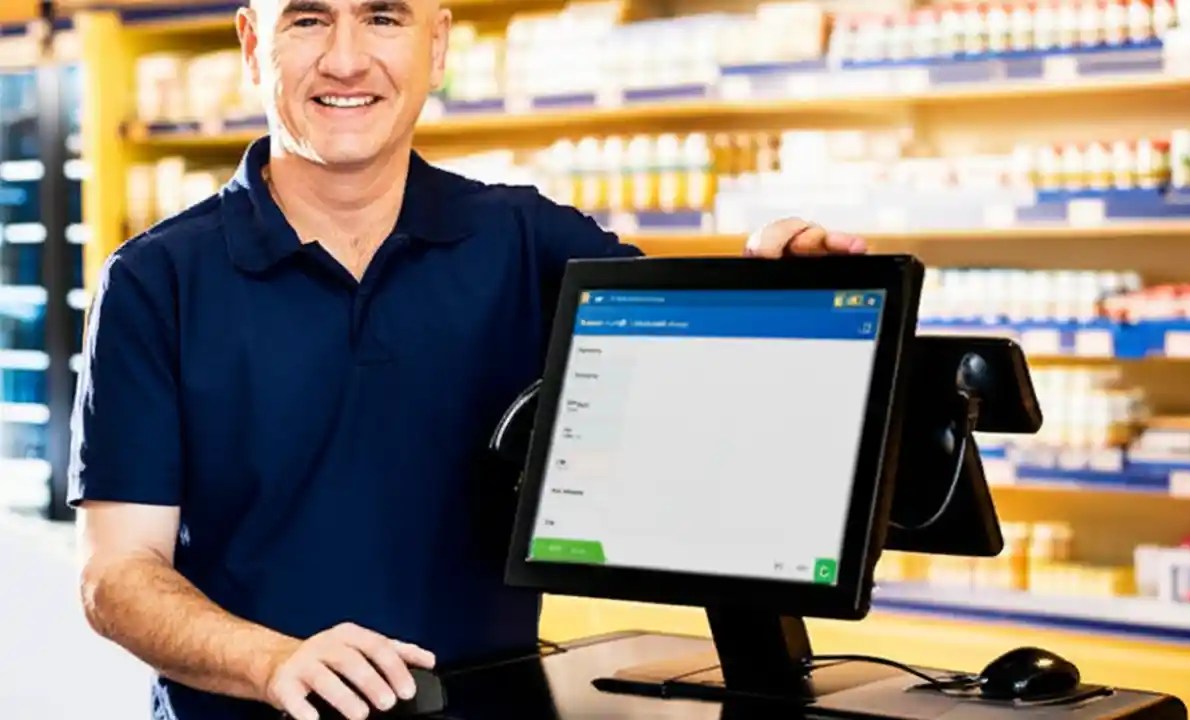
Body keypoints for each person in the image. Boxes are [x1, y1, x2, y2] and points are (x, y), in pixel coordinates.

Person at [69, 1, 867, 719]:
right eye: (308, 20)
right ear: (252, 45)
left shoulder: (526, 242)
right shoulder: (156, 281)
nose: (347, 58)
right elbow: (117, 575)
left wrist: (771, 281)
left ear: (438, 44)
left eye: (384, 18)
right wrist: (272, 661)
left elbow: (690, 375)